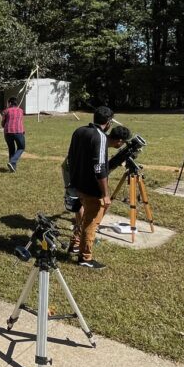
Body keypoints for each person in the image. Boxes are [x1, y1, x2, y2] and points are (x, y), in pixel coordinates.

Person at [65, 108, 128, 270]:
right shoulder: (100, 137)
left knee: (84, 218)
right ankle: (85, 257)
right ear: (108, 122)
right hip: (91, 188)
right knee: (91, 223)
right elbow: (99, 168)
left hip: (77, 184)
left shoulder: (79, 131)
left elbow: (71, 157)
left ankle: (75, 245)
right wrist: (106, 194)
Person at [2, 96, 26, 172]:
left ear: (10, 103)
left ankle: (12, 166)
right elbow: (20, 121)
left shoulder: (6, 111)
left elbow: (3, 123)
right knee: (21, 147)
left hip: (7, 132)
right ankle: (12, 162)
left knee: (11, 149)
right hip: (18, 131)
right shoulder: (21, 111)